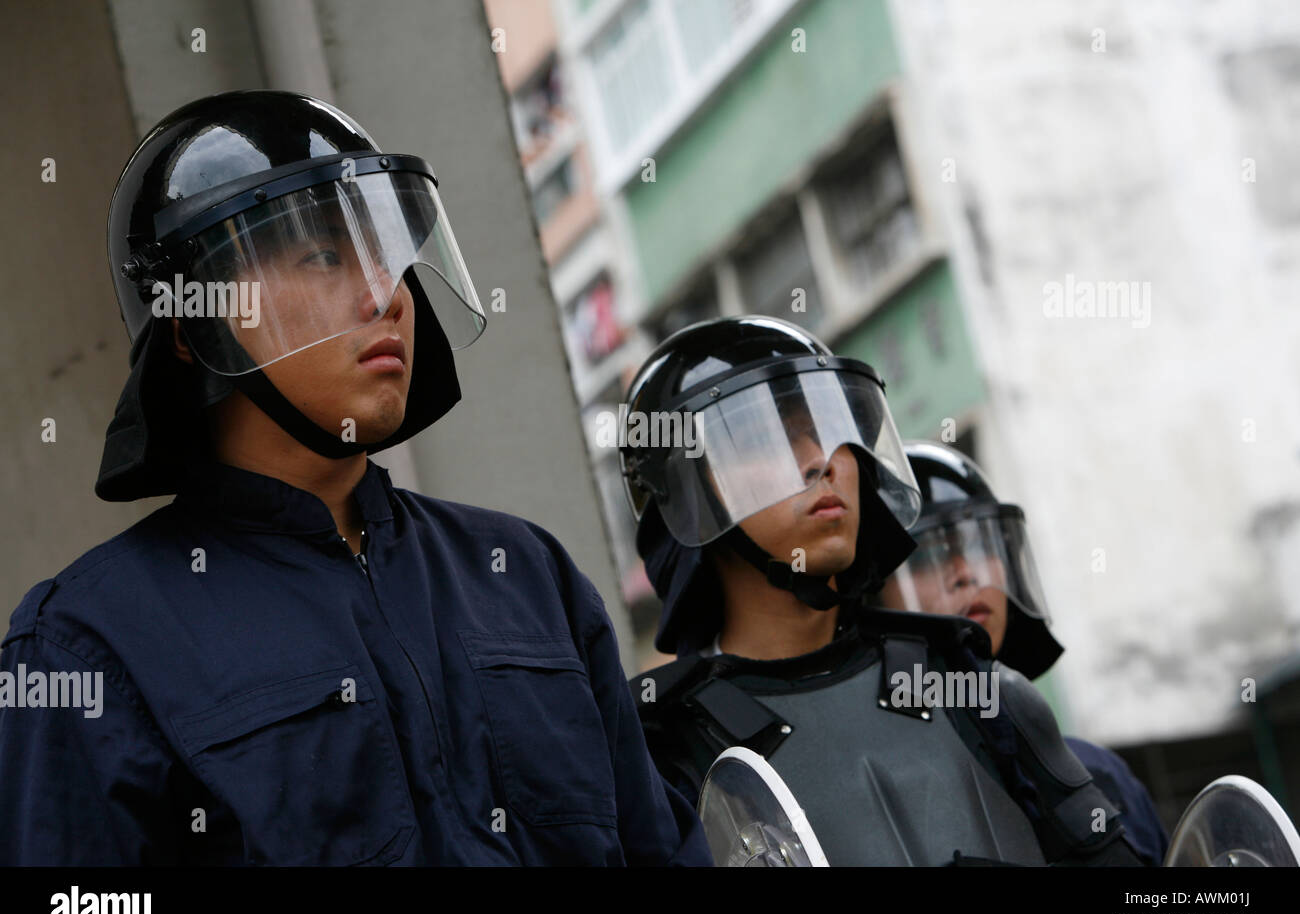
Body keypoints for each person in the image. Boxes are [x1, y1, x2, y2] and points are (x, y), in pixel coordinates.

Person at [0, 90, 709, 866]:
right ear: (189, 321)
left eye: (390, 255)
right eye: (323, 256)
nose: (387, 296)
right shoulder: (89, 645)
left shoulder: (524, 574)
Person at [625, 315, 1144, 865]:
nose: (819, 460)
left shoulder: (977, 688)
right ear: (684, 495)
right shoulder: (655, 754)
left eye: (828, 430)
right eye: (761, 436)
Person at [877, 439, 1170, 864]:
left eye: (981, 547)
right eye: (926, 558)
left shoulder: (1097, 771)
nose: (965, 574)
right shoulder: (870, 783)